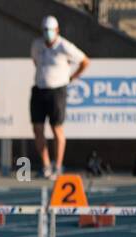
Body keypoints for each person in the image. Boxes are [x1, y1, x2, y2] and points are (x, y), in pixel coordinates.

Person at [30, 15, 89, 179]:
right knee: (37, 129)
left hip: (57, 91)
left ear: (57, 31)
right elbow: (35, 61)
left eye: (50, 30)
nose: (47, 33)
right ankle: (46, 165)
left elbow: (85, 61)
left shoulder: (64, 46)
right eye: (45, 30)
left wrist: (71, 77)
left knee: (57, 129)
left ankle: (58, 166)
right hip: (39, 89)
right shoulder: (37, 45)